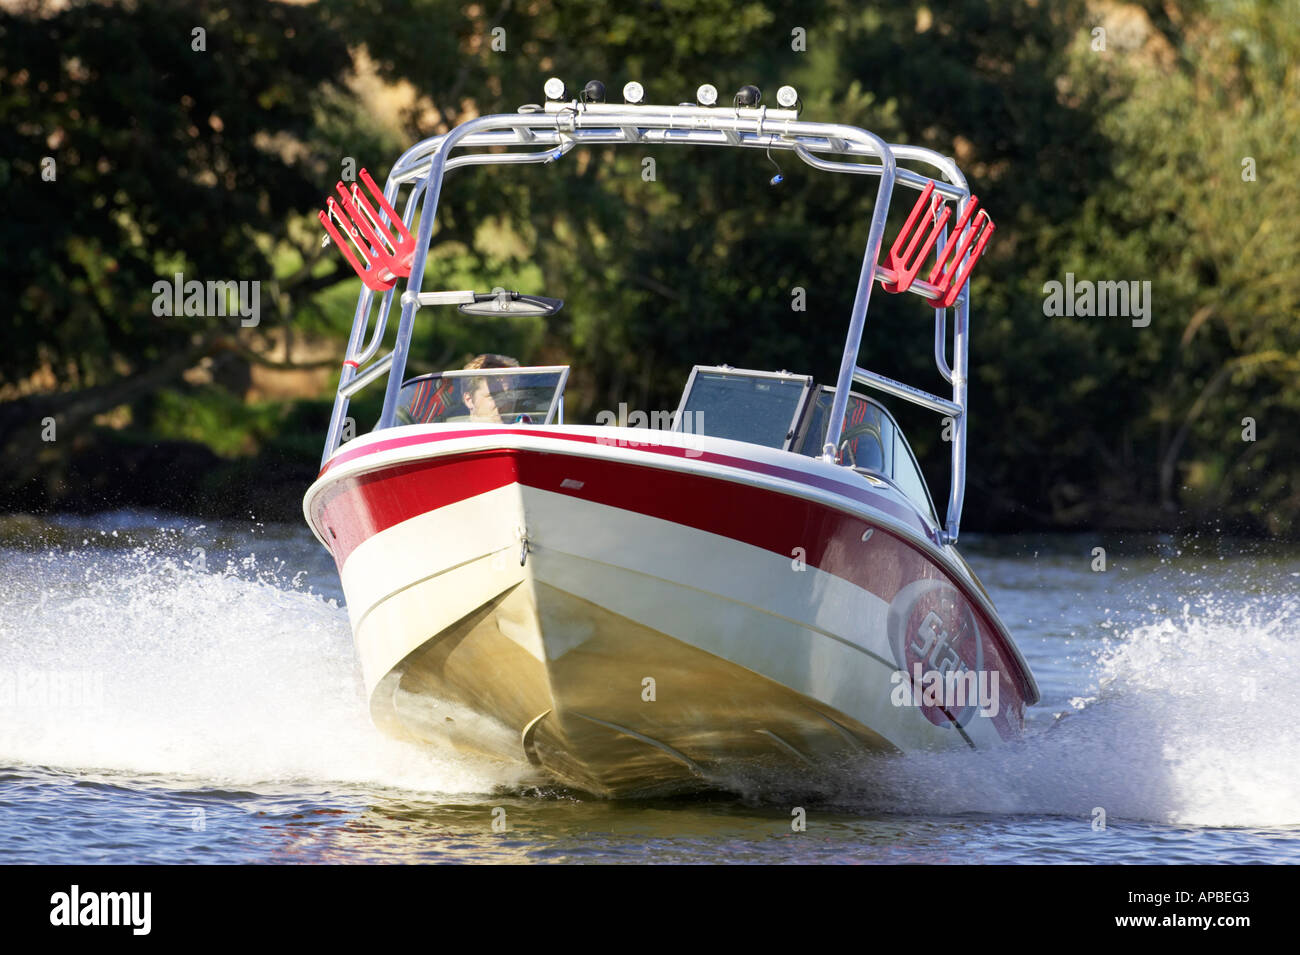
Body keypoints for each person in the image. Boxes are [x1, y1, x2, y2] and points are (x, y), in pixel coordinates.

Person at [459, 353, 520, 422]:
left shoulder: (525, 428)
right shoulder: (451, 431)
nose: (504, 404)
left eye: (509, 395)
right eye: (494, 395)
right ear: (469, 400)